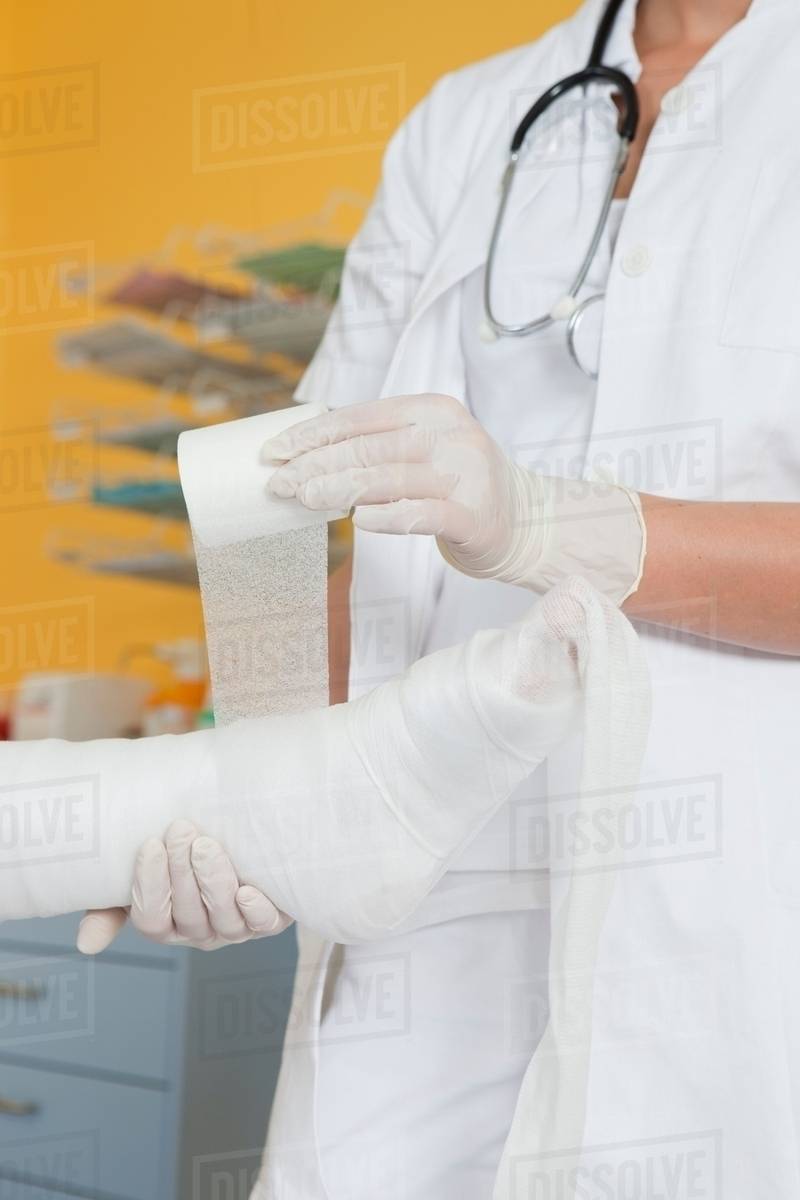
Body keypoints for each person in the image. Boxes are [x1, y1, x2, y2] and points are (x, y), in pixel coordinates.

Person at [79, 0, 800, 1196]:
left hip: (723, 897)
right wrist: (241, 786)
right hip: (419, 901)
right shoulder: (466, 120)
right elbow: (290, 497)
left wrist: (549, 528)